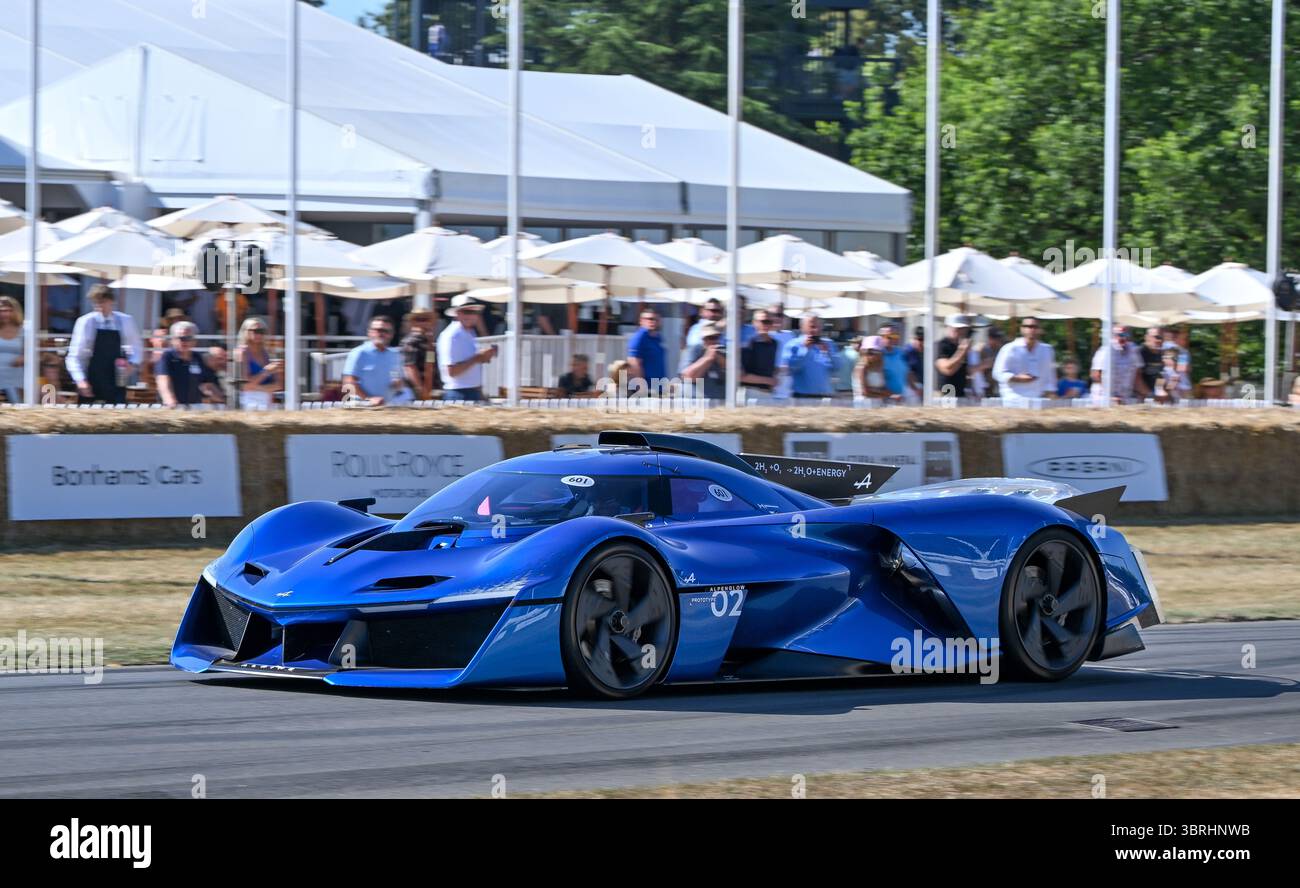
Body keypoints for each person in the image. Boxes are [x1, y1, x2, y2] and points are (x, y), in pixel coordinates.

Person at [67, 285, 144, 405]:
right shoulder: (85, 322)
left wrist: (132, 364)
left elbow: (137, 347)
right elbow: (74, 355)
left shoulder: (125, 320)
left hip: (118, 377)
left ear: (112, 301)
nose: (99, 307)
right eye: (96, 303)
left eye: (103, 302)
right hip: (93, 376)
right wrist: (80, 380)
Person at [436, 296, 496, 402]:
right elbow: (452, 372)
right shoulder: (452, 336)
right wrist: (477, 358)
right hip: (459, 394)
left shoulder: (469, 332)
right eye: (467, 312)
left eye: (475, 312)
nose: (471, 315)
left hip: (471, 392)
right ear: (457, 313)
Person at [344, 315, 411, 406]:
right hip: (362, 407)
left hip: (387, 407)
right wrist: (368, 400)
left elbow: (399, 381)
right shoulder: (358, 353)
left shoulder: (395, 355)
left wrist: (398, 385)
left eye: (386, 331)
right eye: (377, 330)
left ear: (391, 334)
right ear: (369, 332)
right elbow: (348, 382)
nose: (381, 333)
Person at [155, 321, 221, 408]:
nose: (184, 341)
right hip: (172, 408)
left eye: (188, 338)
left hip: (194, 408)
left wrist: (222, 398)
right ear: (173, 340)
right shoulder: (167, 357)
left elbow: (207, 384)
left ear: (194, 341)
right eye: (180, 338)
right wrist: (170, 400)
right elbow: (163, 381)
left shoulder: (198, 358)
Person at [993, 316, 1057, 402]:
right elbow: (997, 373)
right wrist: (1016, 378)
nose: (1031, 330)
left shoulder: (1047, 350)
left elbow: (1050, 376)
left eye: (1035, 327)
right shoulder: (1010, 348)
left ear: (1040, 330)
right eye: (1028, 326)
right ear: (1022, 329)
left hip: (1038, 400)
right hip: (1013, 399)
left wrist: (1051, 393)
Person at [779, 314, 837, 398]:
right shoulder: (793, 345)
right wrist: (804, 349)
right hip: (802, 395)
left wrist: (828, 353)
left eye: (819, 326)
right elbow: (792, 368)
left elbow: (837, 367)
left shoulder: (828, 343)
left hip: (825, 394)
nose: (816, 329)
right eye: (812, 326)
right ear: (802, 327)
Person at [1090, 325, 1147, 403]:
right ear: (1113, 336)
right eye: (1120, 335)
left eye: (1126, 335)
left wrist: (1143, 393)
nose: (1123, 338)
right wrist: (1110, 397)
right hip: (1103, 397)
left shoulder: (1133, 349)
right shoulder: (1105, 351)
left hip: (1124, 398)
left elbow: (1137, 375)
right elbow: (1096, 375)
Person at [235, 317, 281, 410]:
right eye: (255, 331)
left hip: (267, 400)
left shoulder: (266, 353)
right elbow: (245, 385)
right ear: (245, 332)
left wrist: (257, 387)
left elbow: (278, 385)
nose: (259, 334)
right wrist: (266, 371)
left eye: (261, 331)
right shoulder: (242, 352)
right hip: (249, 401)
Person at [681, 321, 727, 400]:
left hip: (719, 402)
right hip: (696, 401)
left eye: (716, 337)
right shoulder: (694, 350)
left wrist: (719, 358)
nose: (713, 341)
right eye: (710, 338)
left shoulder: (724, 351)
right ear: (703, 339)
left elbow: (736, 374)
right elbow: (687, 376)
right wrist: (707, 359)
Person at [400, 310, 438, 400]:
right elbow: (409, 367)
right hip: (416, 391)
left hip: (430, 388)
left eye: (425, 319)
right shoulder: (411, 342)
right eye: (418, 319)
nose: (422, 323)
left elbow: (430, 362)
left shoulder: (427, 341)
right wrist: (420, 390)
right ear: (413, 322)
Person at [739, 309, 780, 392]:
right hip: (749, 391)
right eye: (763, 321)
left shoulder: (774, 343)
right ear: (754, 323)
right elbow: (741, 376)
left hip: (767, 391)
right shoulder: (747, 344)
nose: (766, 325)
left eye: (769, 322)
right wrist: (769, 380)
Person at [626, 308, 666, 392]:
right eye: (650, 319)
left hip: (659, 387)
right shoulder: (639, 337)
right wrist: (642, 388)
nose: (653, 321)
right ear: (641, 321)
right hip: (646, 389)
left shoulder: (658, 337)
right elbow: (633, 362)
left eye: (656, 319)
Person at [934, 315, 973, 398]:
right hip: (947, 389)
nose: (959, 331)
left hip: (960, 390)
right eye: (956, 328)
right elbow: (947, 368)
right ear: (948, 327)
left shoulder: (959, 346)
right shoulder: (941, 345)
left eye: (962, 329)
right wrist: (962, 352)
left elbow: (967, 370)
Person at [876, 322, 913, 400]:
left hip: (902, 398)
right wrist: (891, 395)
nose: (892, 339)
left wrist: (915, 389)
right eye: (888, 336)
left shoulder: (901, 353)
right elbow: (875, 382)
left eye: (894, 336)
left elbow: (908, 373)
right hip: (883, 401)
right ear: (880, 337)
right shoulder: (876, 356)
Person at [853, 335, 893, 399]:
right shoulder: (862, 367)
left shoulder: (879, 368)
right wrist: (887, 396)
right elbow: (864, 393)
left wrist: (892, 395)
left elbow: (882, 388)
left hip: (878, 404)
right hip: (864, 405)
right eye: (870, 352)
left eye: (875, 351)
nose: (872, 354)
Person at [0, 296, 23, 404]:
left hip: (16, 376)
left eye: (9, 310)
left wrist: (23, 358)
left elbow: (31, 353)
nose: (5, 314)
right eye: (2, 311)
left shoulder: (24, 330)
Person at [903, 325, 925, 402]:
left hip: (922, 389)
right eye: (920, 339)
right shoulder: (907, 351)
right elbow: (907, 373)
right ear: (913, 338)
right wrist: (916, 389)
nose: (922, 342)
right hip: (911, 389)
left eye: (924, 339)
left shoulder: (925, 352)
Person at [1138, 328, 1164, 395]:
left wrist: (1159, 391)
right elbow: (1136, 376)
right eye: (1156, 337)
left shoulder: (1160, 352)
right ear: (1147, 337)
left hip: (1153, 394)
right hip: (1140, 395)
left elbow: (1160, 374)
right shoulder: (1140, 351)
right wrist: (1147, 393)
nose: (1159, 340)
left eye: (1160, 337)